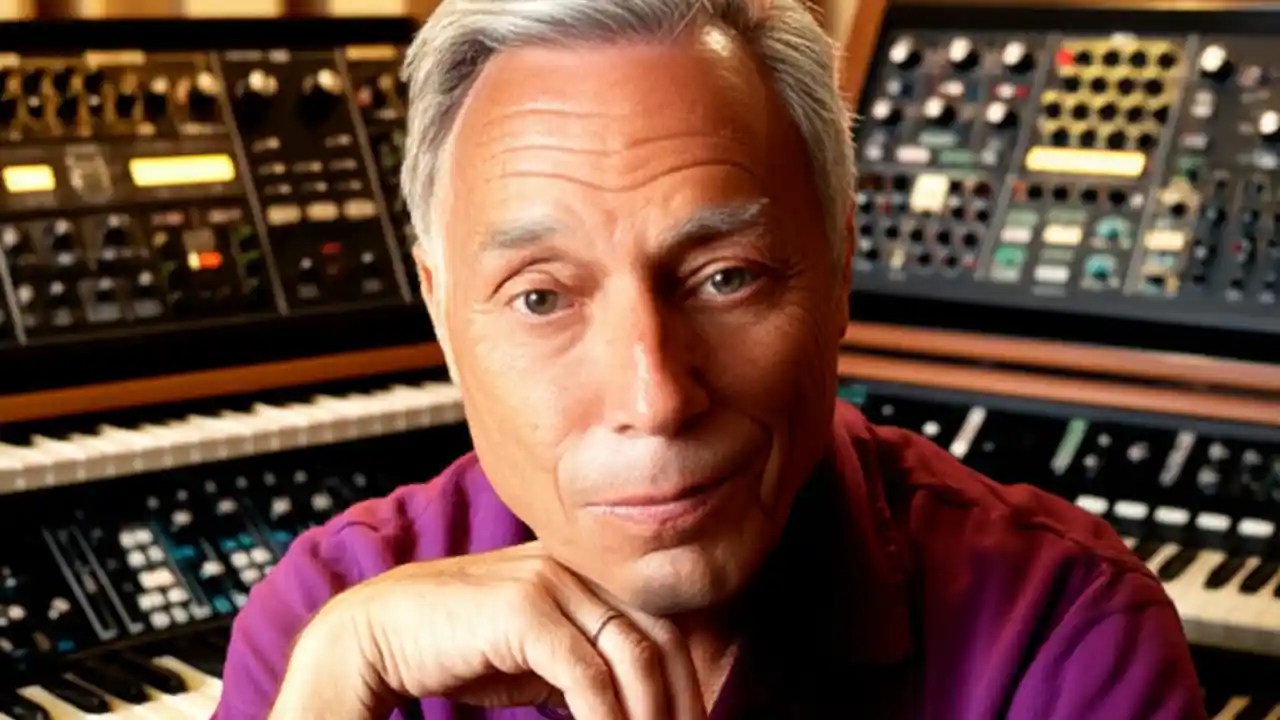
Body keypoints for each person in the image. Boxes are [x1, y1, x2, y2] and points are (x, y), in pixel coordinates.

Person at [212, 1, 1208, 718]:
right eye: (541, 297)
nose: (653, 397)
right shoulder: (330, 621)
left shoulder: (1059, 634)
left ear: (837, 269)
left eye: (724, 277)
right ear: (441, 315)